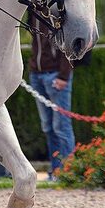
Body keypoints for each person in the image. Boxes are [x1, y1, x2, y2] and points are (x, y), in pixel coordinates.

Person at [28, 13, 77, 180]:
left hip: (56, 75)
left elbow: (68, 45)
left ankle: (68, 171)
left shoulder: (57, 12)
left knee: (61, 126)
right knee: (48, 126)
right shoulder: (34, 11)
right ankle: (56, 170)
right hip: (37, 75)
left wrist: (64, 75)